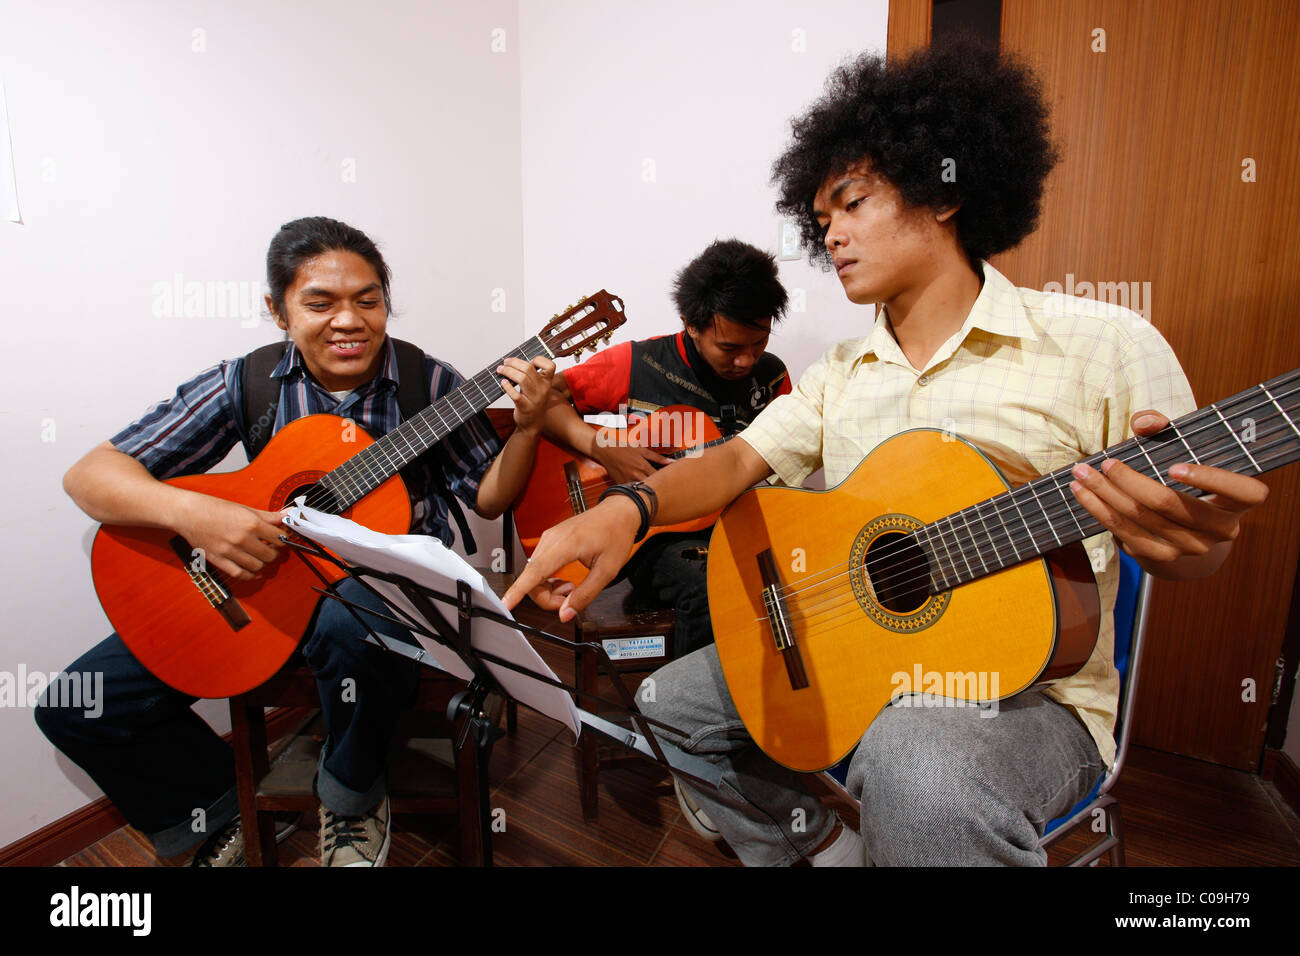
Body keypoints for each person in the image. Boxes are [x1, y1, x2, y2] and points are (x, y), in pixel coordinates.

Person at [505, 43, 1270, 866]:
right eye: (820, 217)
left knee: (914, 758)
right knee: (666, 701)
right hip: (853, 653)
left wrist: (1202, 540)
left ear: (945, 192)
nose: (829, 234)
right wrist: (630, 507)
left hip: (1030, 700)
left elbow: (1193, 535)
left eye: (852, 203)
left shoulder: (1104, 344)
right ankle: (823, 850)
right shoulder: (839, 373)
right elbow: (736, 461)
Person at [37, 216, 555, 866]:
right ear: (277, 310)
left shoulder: (430, 384)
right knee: (75, 705)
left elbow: (489, 497)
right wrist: (196, 515)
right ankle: (221, 805)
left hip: (374, 611)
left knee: (348, 617)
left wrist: (529, 427)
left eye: (368, 299)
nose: (350, 320)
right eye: (320, 302)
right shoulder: (247, 381)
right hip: (260, 594)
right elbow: (89, 476)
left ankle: (351, 795)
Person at [540, 239, 790, 655]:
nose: (746, 360)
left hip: (732, 522)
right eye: (729, 347)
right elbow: (543, 401)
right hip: (650, 535)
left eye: (758, 342)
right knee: (713, 586)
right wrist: (602, 447)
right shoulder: (637, 362)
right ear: (691, 324)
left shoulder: (771, 378)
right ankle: (688, 713)